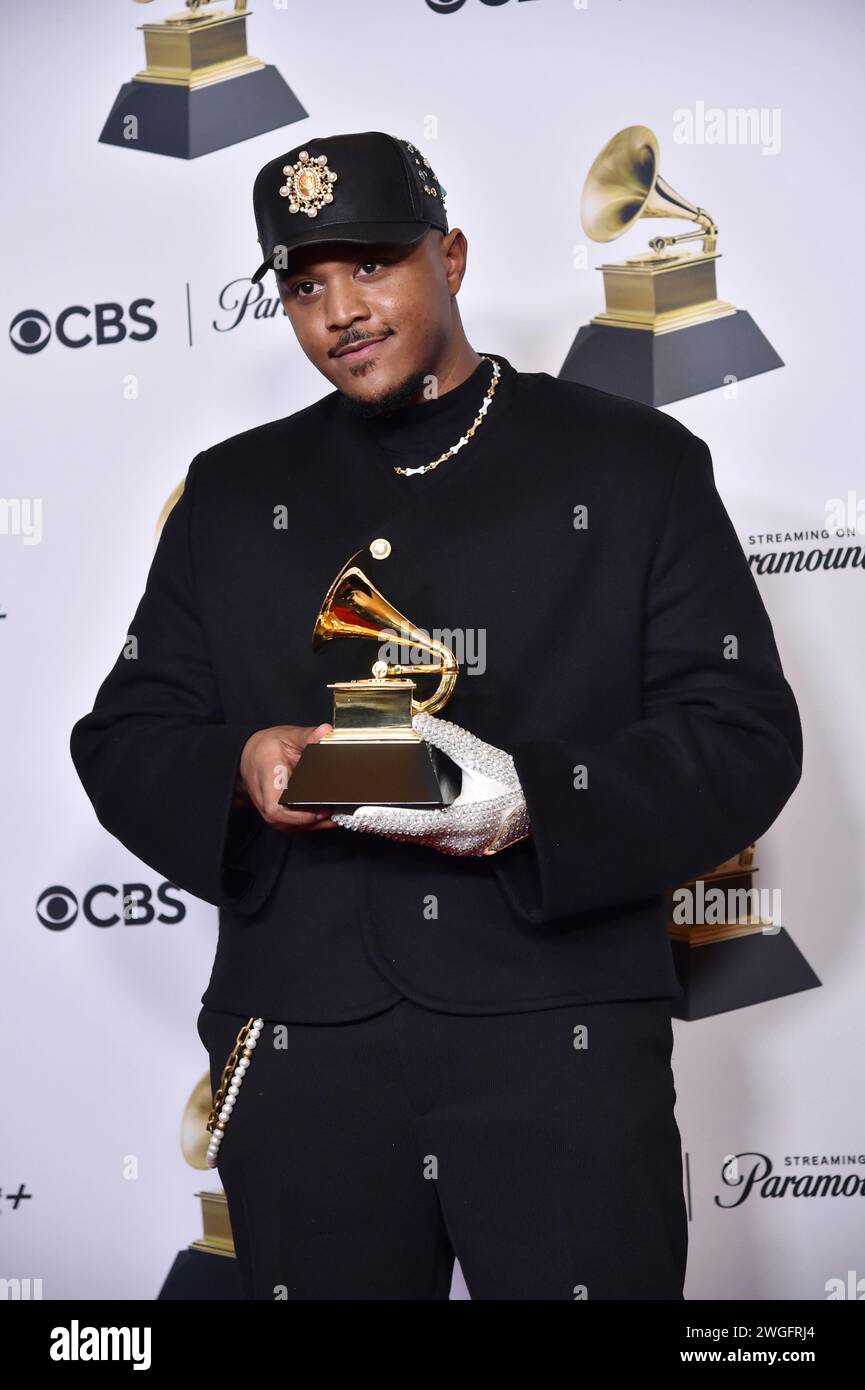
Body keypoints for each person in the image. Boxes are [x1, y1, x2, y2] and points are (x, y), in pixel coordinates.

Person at [70, 130, 803, 1300]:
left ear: (450, 257)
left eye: (371, 267)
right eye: (305, 284)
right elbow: (122, 738)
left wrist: (534, 805)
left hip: (559, 1039)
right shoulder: (228, 491)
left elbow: (742, 734)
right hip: (306, 1045)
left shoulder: (635, 464)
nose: (339, 311)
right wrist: (245, 764)